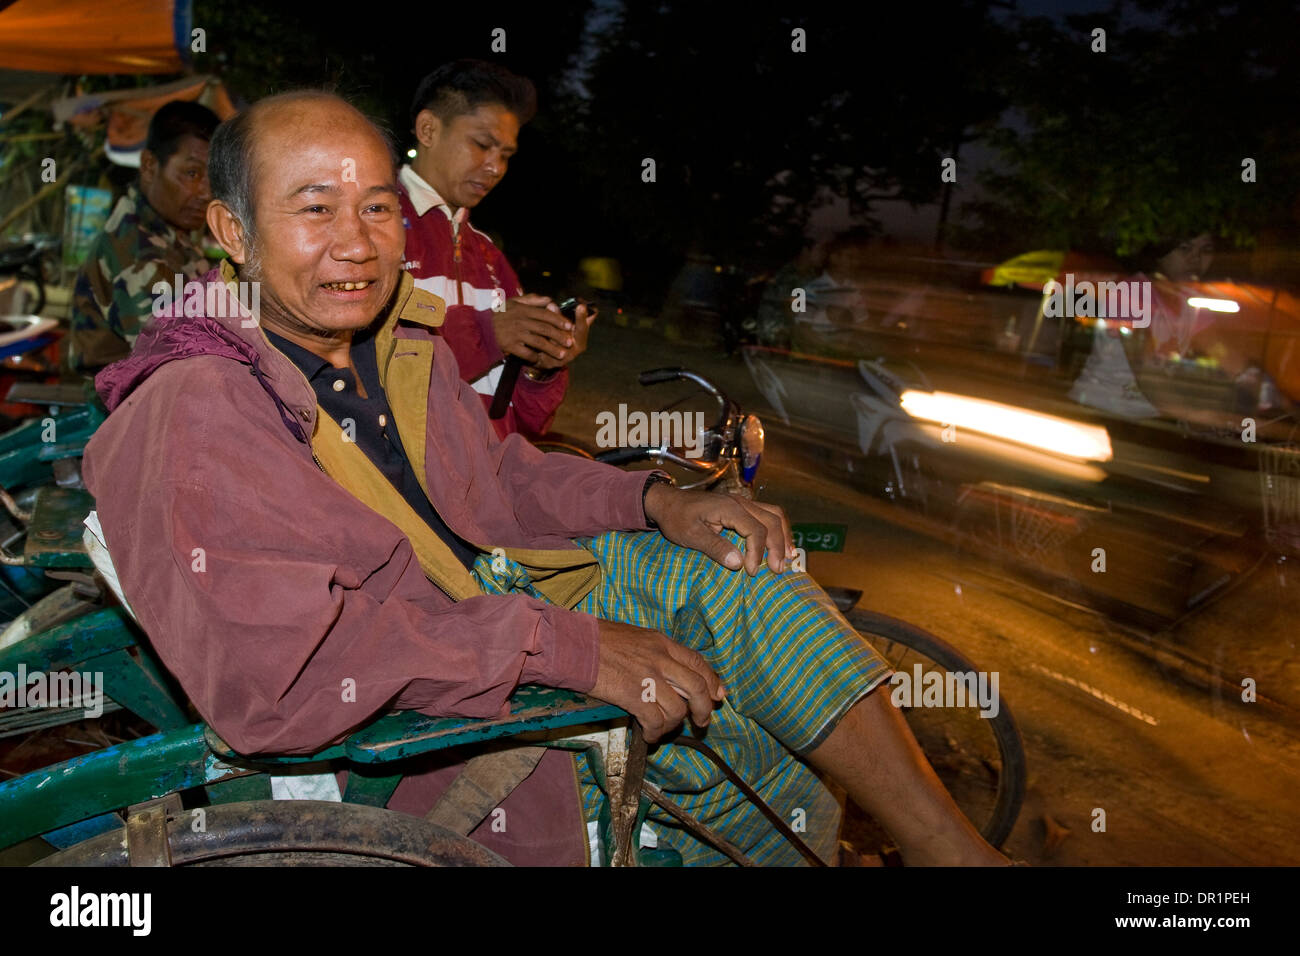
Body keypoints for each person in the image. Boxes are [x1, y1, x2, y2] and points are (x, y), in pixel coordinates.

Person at [84, 91, 1008, 867]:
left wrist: (658, 500)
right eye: (314, 208)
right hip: (433, 691)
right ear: (231, 231)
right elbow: (273, 681)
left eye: (375, 207)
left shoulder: (398, 341)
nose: (358, 243)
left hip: (507, 589)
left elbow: (497, 472)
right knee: (716, 753)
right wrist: (565, 649)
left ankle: (952, 853)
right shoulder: (200, 406)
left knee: (748, 570)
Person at [397, 60, 591, 439]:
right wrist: (489, 334)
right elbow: (363, 369)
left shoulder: (489, 255)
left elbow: (520, 424)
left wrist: (540, 365)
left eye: (505, 154)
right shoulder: (369, 225)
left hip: (479, 485)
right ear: (428, 129)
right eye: (482, 144)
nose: (495, 167)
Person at [68, 100, 220, 372]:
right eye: (192, 173)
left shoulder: (169, 233)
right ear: (150, 165)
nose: (206, 193)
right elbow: (182, 363)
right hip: (120, 410)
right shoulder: (137, 253)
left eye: (214, 178)